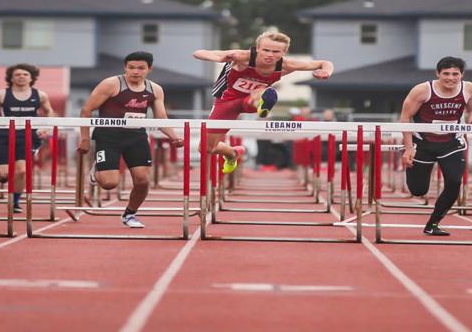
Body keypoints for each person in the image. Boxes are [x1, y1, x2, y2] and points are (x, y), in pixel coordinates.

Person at [191, 31, 333, 174]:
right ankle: (232, 153)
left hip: (252, 100)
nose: (270, 55)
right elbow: (198, 53)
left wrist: (326, 72)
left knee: (261, 92)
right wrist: (220, 57)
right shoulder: (241, 57)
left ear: (284, 52)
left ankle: (264, 102)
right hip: (226, 102)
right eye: (266, 50)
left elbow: (325, 63)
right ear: (258, 48)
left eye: (276, 52)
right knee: (205, 148)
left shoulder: (288, 64)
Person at [77, 52, 184, 229]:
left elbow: (161, 118)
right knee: (109, 183)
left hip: (136, 136)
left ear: (149, 69)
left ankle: (129, 214)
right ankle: (98, 169)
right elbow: (86, 110)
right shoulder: (111, 84)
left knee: (142, 181)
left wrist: (174, 136)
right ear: (125, 67)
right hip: (108, 136)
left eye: (141, 68)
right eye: (131, 67)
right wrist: (85, 138)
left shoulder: (155, 89)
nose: (135, 71)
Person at [397, 56, 472, 237]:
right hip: (423, 143)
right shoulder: (422, 90)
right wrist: (409, 148)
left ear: (462, 75)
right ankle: (416, 177)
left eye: (455, 74)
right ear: (438, 74)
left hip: (452, 143)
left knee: (454, 182)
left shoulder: (469, 89)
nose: (451, 78)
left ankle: (433, 223)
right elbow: (405, 118)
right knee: (418, 190)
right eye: (446, 74)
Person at [0, 63, 54, 212]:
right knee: (4, 173)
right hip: (4, 134)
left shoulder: (40, 95)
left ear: (31, 78)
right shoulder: (1, 94)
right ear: (11, 78)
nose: (21, 77)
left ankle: (15, 202)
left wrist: (46, 128)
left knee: (22, 171)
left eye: (25, 74)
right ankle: (5, 177)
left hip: (27, 135)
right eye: (17, 74)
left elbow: (49, 112)